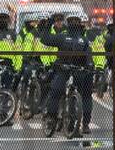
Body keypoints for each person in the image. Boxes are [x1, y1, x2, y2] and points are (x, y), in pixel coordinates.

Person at [41, 14, 97, 142]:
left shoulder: (83, 40)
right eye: (71, 21)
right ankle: (51, 118)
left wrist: (90, 65)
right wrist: (49, 23)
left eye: (76, 21)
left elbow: (89, 55)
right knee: (56, 91)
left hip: (77, 71)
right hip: (62, 70)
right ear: (68, 22)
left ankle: (77, 125)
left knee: (80, 96)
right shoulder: (62, 37)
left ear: (80, 23)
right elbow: (45, 39)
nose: (74, 23)